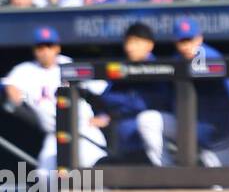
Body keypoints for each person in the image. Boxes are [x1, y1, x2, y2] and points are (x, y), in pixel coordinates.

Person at [2, 26, 107, 172]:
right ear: (34, 50)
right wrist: (14, 94)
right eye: (40, 47)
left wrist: (105, 116)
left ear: (57, 48)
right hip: (55, 134)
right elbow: (9, 86)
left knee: (96, 172)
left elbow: (102, 88)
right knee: (44, 176)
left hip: (83, 129)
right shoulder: (25, 71)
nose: (45, 51)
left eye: (49, 46)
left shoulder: (69, 64)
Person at [145, 18, 229, 166]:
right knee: (148, 120)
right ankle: (168, 172)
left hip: (220, 135)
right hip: (190, 128)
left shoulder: (210, 56)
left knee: (221, 185)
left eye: (190, 40)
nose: (186, 46)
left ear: (199, 38)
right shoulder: (176, 59)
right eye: (182, 41)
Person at [98, 22, 174, 164]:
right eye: (128, 42)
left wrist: (126, 104)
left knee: (147, 120)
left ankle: (168, 175)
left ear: (149, 45)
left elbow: (158, 102)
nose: (130, 47)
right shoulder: (121, 68)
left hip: (156, 140)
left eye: (136, 42)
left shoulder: (160, 68)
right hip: (125, 140)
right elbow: (107, 98)